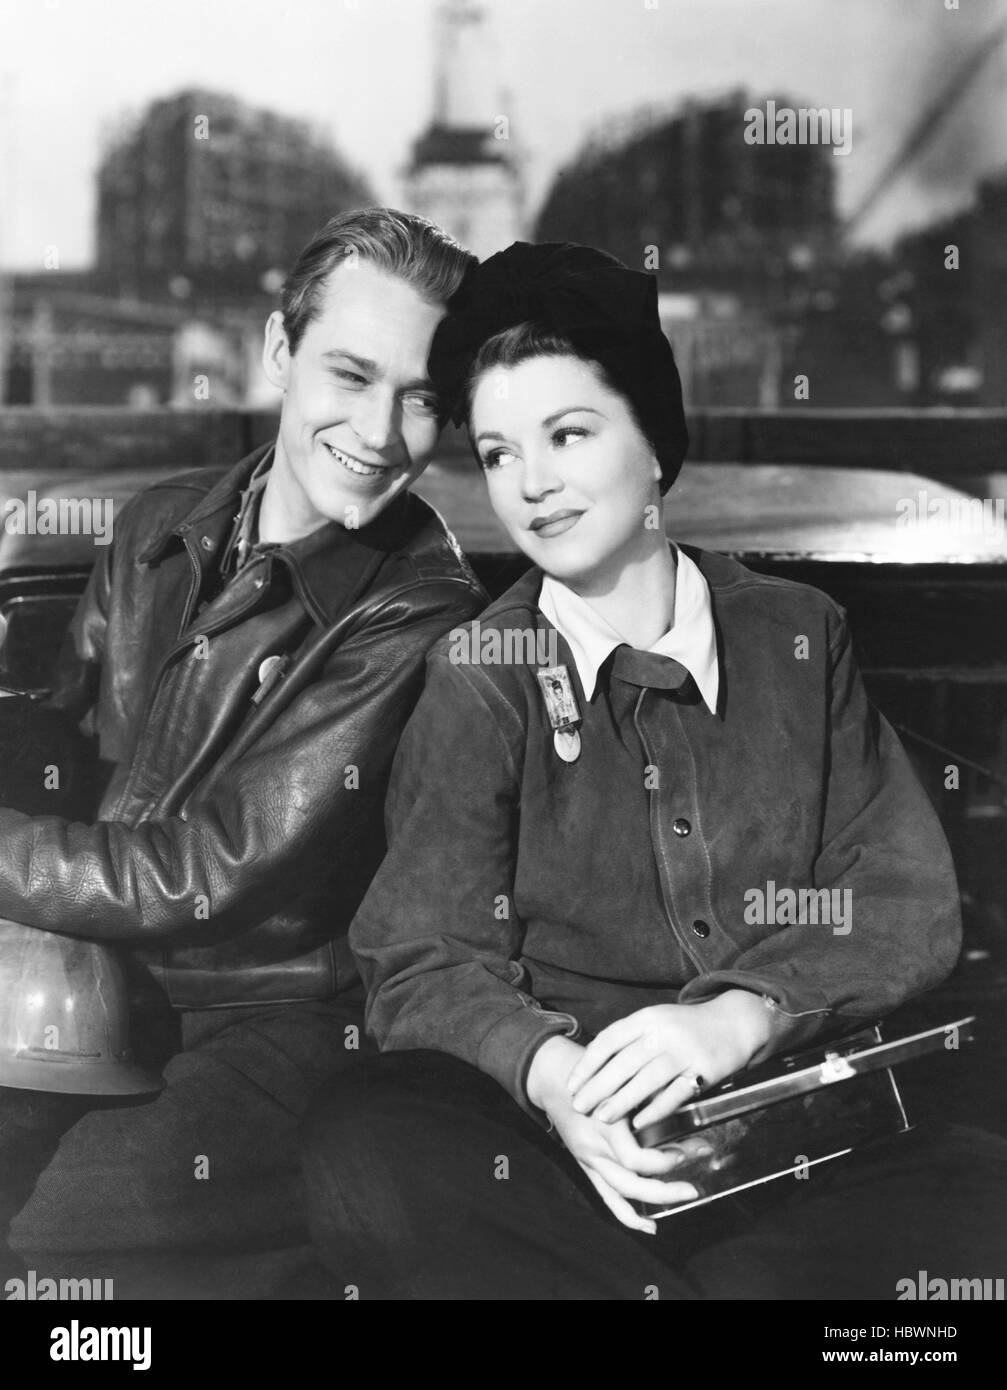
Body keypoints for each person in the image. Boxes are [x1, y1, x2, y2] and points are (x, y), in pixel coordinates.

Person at [301, 240, 1007, 1300]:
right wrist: (558, 1083)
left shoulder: (794, 635)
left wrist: (737, 1015)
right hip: (559, 1154)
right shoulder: (482, 673)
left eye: (567, 434)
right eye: (496, 452)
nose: (530, 484)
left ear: (653, 445)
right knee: (368, 1151)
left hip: (780, 1130)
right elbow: (419, 953)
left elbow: (900, 897)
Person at [0, 208, 484, 1299]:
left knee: (55, 1237)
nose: (380, 427)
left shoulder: (422, 608)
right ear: (279, 352)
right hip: (81, 965)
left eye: (422, 398)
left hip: (268, 1015)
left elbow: (209, 867)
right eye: (350, 374)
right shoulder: (160, 524)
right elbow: (56, 735)